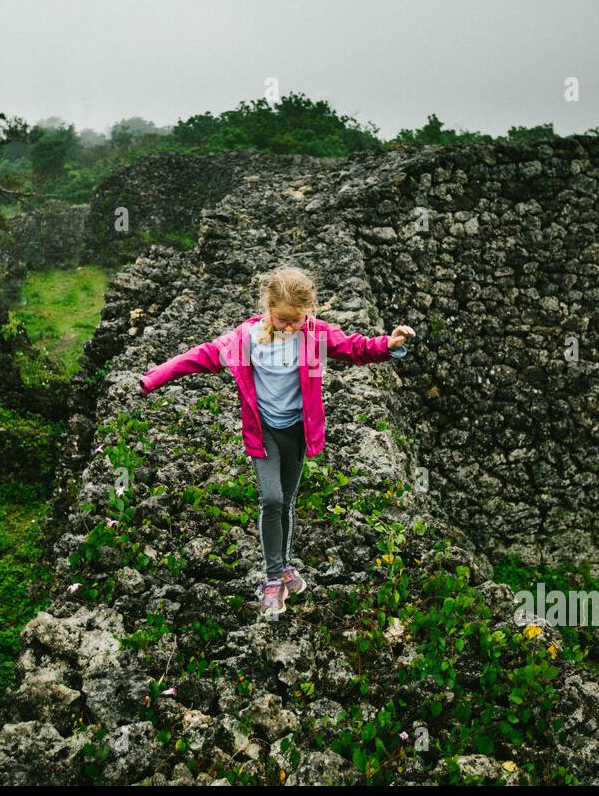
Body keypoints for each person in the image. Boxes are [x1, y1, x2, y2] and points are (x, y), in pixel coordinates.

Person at [138, 266, 415, 621]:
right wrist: (152, 379)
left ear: (309, 311)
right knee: (271, 499)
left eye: (296, 320)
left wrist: (388, 346)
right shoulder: (244, 340)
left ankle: (285, 567)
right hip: (264, 431)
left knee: (287, 502)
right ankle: (271, 579)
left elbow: (354, 348)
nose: (288, 326)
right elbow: (198, 357)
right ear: (268, 307)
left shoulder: (315, 335)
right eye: (282, 319)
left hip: (298, 431)